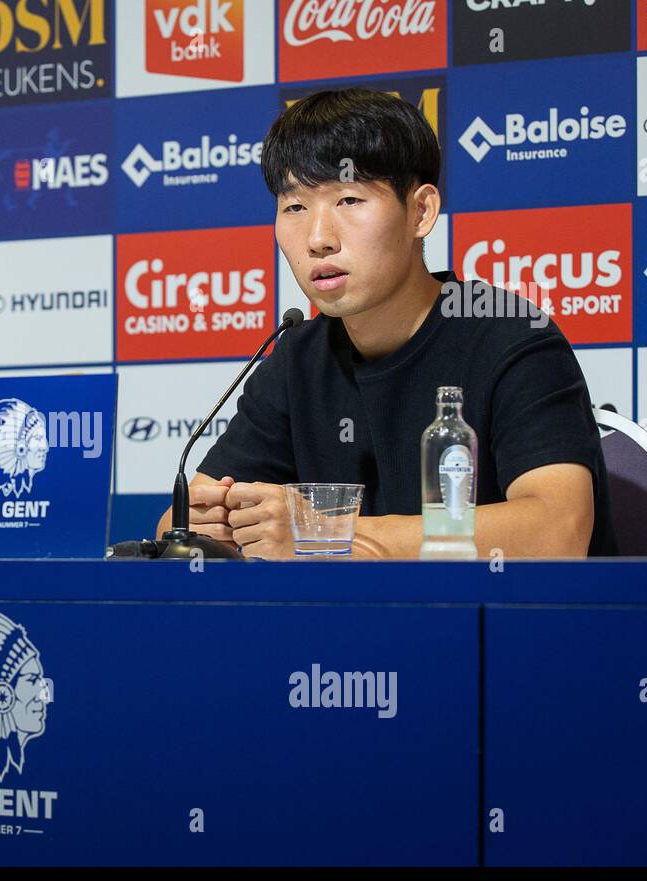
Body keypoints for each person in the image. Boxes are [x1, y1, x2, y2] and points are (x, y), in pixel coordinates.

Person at [157, 88, 615, 558]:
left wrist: (323, 532)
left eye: (350, 200)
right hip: (355, 628)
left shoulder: (509, 335)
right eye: (295, 207)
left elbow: (559, 530)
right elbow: (179, 523)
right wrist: (216, 524)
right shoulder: (298, 356)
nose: (318, 239)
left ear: (421, 212)